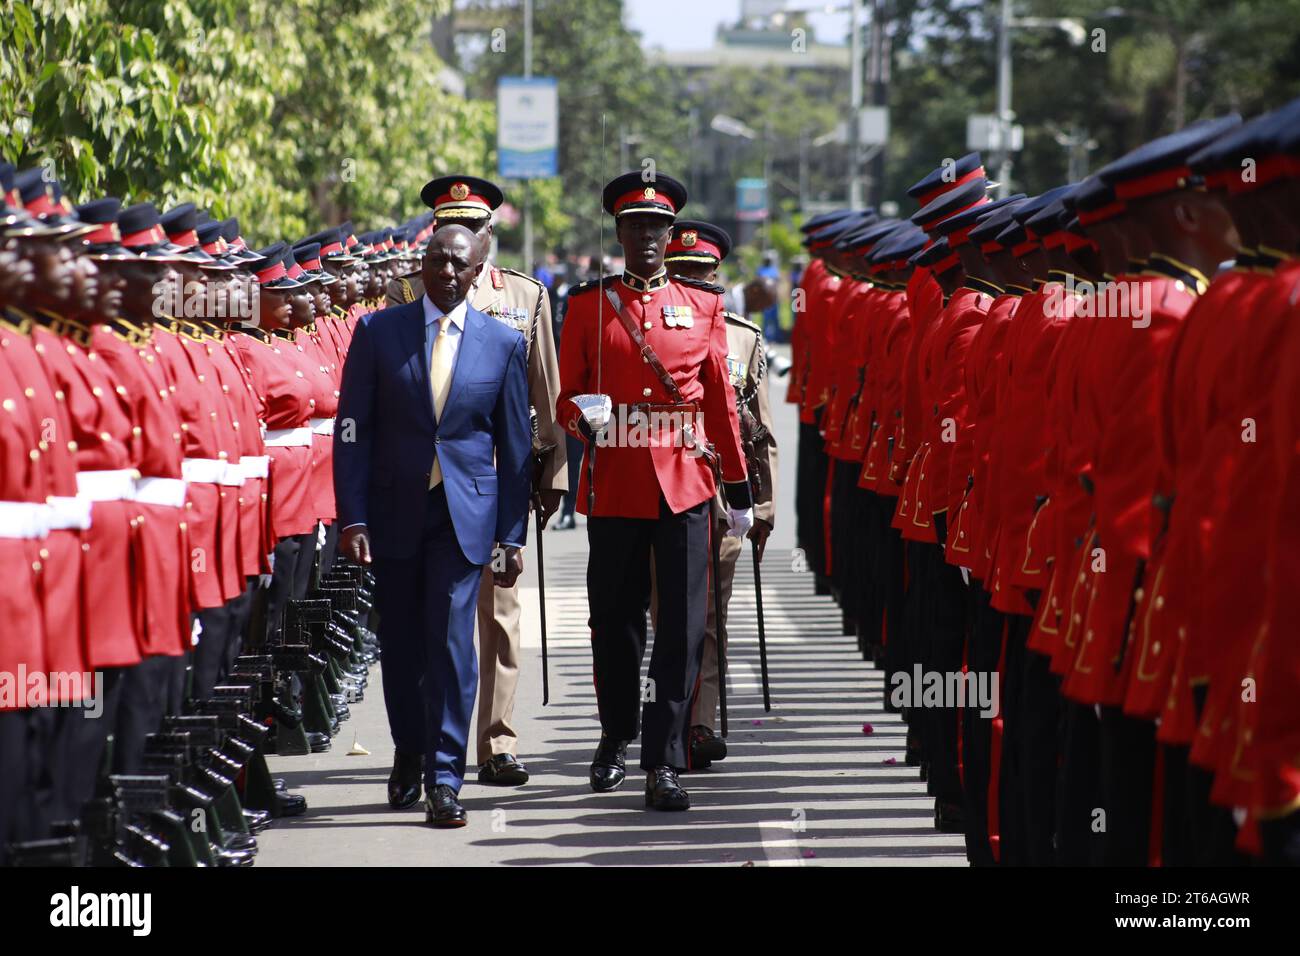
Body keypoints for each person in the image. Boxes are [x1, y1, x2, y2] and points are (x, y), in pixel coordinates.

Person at [556, 172, 752, 811]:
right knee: (613, 624)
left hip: (685, 483)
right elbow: (567, 395)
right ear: (619, 233)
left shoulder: (703, 305)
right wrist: (585, 414)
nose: (645, 236)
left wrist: (740, 488)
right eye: (633, 226)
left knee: (683, 629)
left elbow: (720, 400)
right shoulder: (590, 304)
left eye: (655, 227)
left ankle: (664, 759)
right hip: (615, 483)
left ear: (670, 236)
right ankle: (615, 733)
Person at [334, 223, 531, 828]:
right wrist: (354, 515)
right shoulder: (376, 332)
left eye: (459, 264)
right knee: (400, 645)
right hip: (393, 511)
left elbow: (516, 447)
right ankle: (410, 748)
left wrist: (511, 536)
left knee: (450, 640)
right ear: (421, 266)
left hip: (463, 516)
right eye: (437, 261)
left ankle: (445, 777)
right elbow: (351, 433)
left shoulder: (501, 343)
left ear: (479, 272)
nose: (447, 272)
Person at [383, 174, 568, 786]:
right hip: (426, 484)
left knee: (499, 613)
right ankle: (426, 745)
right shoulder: (406, 292)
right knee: (425, 623)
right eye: (444, 227)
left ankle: (497, 740)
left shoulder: (526, 297)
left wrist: (553, 473)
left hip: (496, 479)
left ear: (489, 235)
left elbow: (546, 391)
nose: (461, 237)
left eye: (475, 227)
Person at [660, 219, 778, 769]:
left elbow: (763, 435)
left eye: (702, 275)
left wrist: (764, 509)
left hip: (724, 497)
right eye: (682, 273)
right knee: (667, 614)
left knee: (711, 614)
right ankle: (671, 719)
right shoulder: (655, 325)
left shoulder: (745, 337)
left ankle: (699, 722)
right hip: (667, 485)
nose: (694, 283)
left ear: (719, 278)